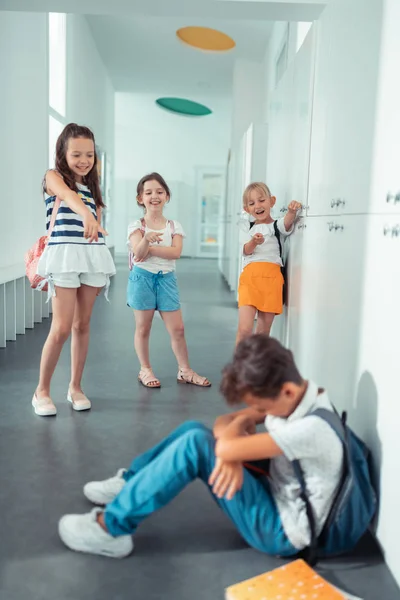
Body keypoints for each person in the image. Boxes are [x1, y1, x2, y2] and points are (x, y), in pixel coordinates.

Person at [58, 335, 345, 559]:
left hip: (280, 531)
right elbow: (225, 422)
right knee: (194, 428)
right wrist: (231, 450)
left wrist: (229, 452)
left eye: (261, 407)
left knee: (197, 444)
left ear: (287, 392)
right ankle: (131, 485)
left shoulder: (312, 429)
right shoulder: (301, 395)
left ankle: (111, 529)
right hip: (274, 493)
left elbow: (226, 441)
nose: (257, 412)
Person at [32, 123, 116, 417]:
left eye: (89, 155)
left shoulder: (93, 187)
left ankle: (75, 387)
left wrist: (96, 224)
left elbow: (94, 218)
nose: (84, 160)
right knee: (62, 327)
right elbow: (68, 197)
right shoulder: (52, 177)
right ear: (63, 153)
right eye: (77, 154)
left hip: (91, 257)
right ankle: (41, 391)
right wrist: (85, 215)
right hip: (65, 258)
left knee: (83, 325)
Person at [125, 172, 210, 389]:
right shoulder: (136, 225)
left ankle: (185, 370)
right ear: (140, 198)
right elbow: (137, 255)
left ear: (167, 196)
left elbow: (176, 253)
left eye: (160, 192)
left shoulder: (174, 226)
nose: (155, 196)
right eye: (149, 192)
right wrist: (145, 240)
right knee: (143, 328)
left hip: (166, 280)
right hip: (142, 279)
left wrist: (150, 248)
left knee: (178, 329)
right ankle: (145, 370)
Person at [236, 182, 302, 344]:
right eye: (251, 204)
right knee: (244, 329)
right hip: (250, 280)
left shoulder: (276, 226)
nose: (257, 206)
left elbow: (286, 223)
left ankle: (255, 367)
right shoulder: (247, 228)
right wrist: (254, 242)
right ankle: (238, 367)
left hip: (272, 281)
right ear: (247, 209)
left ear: (272, 201)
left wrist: (292, 211)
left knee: (263, 332)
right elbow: (246, 250)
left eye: (261, 200)